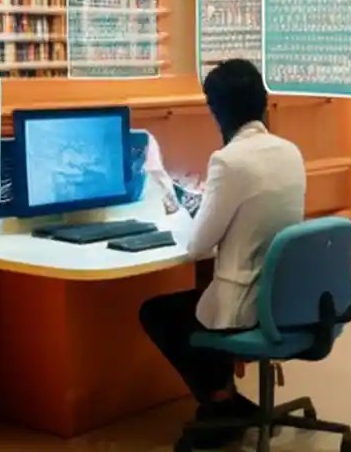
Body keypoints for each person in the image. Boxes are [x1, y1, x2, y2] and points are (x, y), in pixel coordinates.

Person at [139, 58, 306, 447]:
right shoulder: (290, 151)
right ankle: (226, 398)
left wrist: (183, 213)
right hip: (287, 300)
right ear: (263, 102)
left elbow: (197, 245)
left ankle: (220, 402)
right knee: (199, 301)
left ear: (217, 112)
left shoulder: (229, 161)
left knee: (158, 313)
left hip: (247, 305)